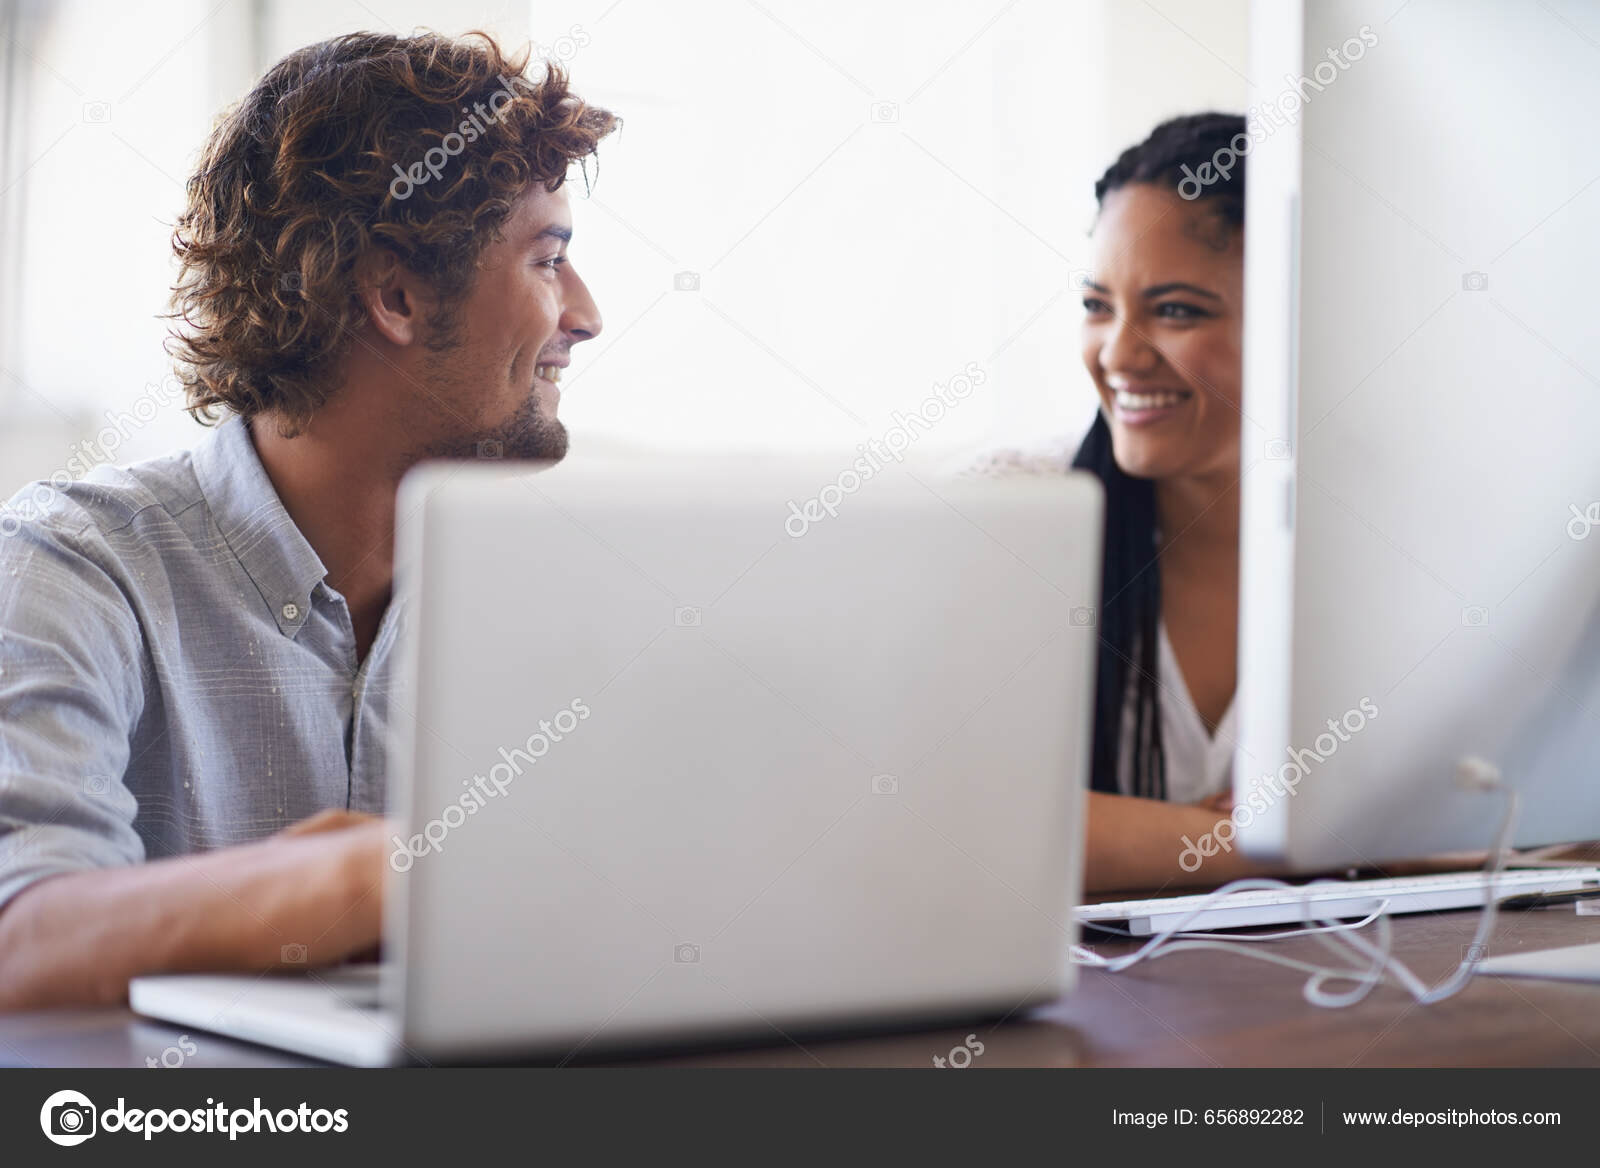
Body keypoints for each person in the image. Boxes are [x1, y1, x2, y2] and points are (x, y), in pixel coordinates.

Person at [0, 31, 614, 1009]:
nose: (584, 314)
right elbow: (22, 941)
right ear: (396, 295)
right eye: (548, 261)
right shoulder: (71, 569)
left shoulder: (561, 602)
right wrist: (372, 876)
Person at [971, 114, 1269, 892]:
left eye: (1176, 310)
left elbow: (1531, 823)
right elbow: (971, 818)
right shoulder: (1014, 509)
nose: (1118, 354)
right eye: (1097, 305)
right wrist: (1293, 842)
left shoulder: (1404, 545)